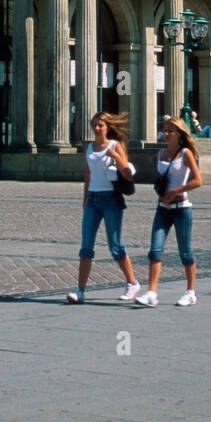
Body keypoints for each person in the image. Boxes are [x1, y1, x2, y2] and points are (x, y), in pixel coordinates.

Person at [67, 112, 139, 304]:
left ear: (107, 127)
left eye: (101, 125)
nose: (97, 129)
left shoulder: (115, 145)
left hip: (111, 199)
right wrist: (85, 199)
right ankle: (80, 290)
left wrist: (115, 155)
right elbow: (88, 174)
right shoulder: (89, 148)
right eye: (95, 125)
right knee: (86, 246)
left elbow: (128, 173)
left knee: (115, 245)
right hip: (93, 199)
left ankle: (132, 282)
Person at [136, 117, 202, 307]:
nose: (166, 133)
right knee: (155, 250)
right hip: (162, 209)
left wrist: (175, 191)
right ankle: (152, 292)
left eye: (170, 130)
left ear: (180, 133)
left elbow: (198, 180)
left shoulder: (186, 153)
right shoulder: (160, 154)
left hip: (182, 209)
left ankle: (190, 292)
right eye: (164, 130)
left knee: (185, 252)